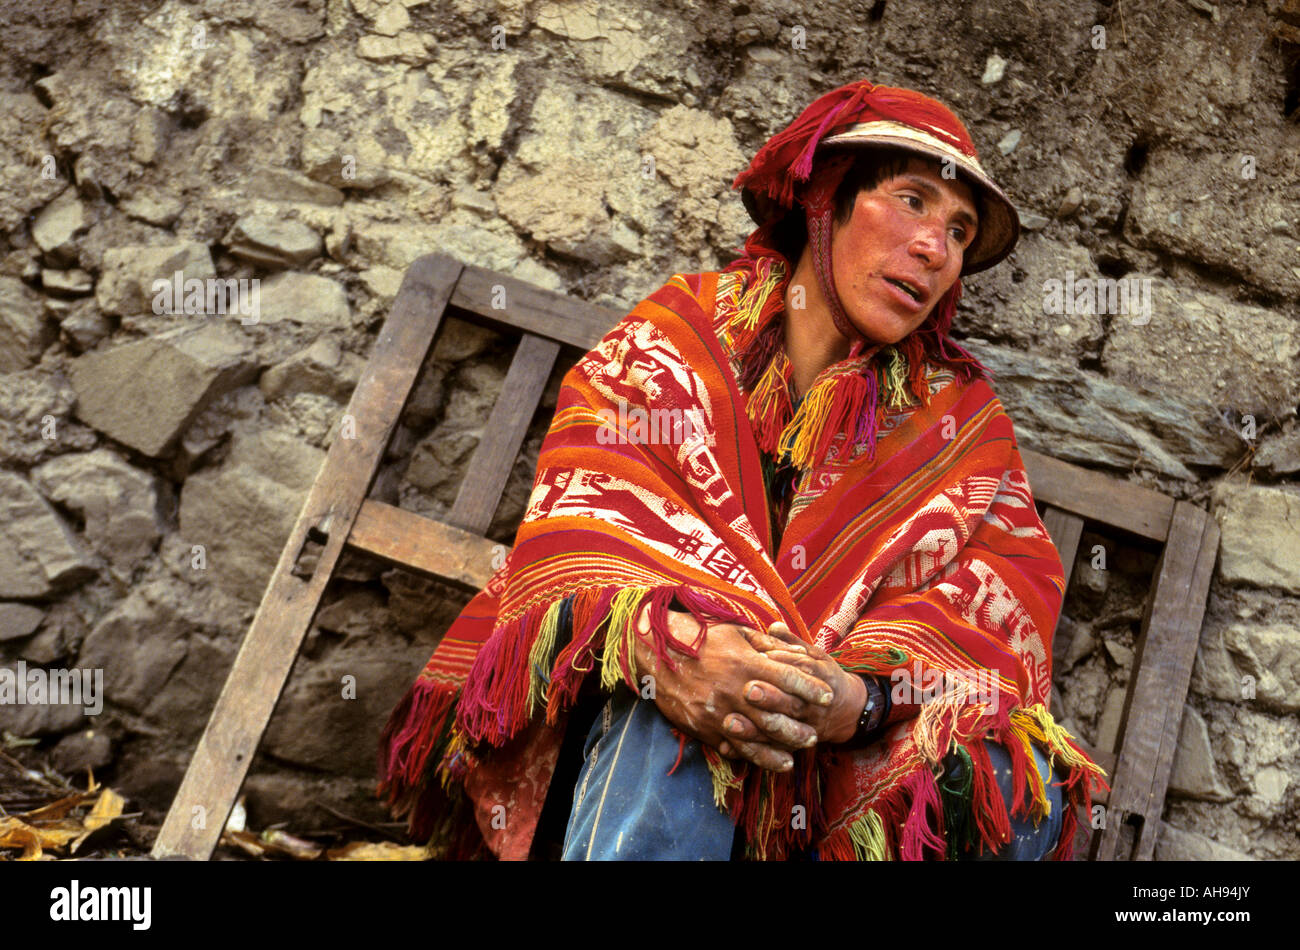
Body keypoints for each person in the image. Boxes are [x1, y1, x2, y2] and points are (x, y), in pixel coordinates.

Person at [379, 79, 1107, 861]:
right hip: (644, 723)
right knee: (683, 716)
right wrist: (677, 651)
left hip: (836, 754)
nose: (936, 248)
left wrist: (854, 701)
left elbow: (1001, 620)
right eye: (912, 200)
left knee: (1013, 775)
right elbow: (579, 537)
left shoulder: (961, 421)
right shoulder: (675, 338)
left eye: (960, 230)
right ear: (828, 198)